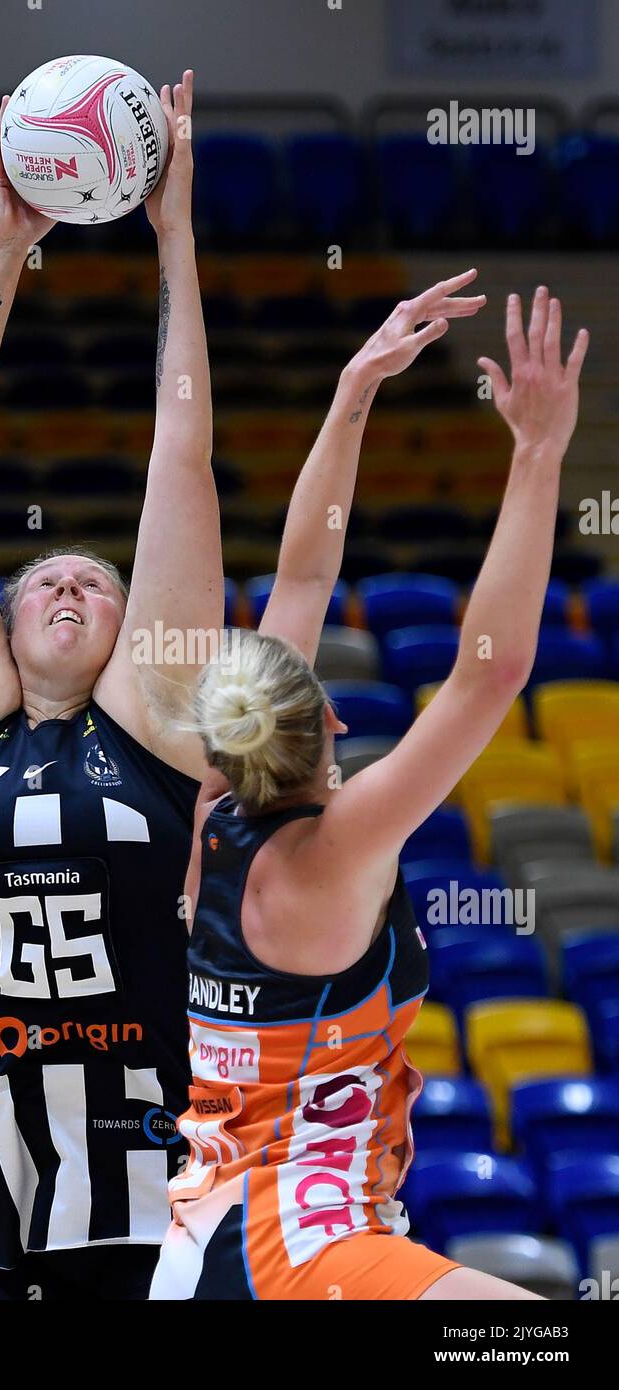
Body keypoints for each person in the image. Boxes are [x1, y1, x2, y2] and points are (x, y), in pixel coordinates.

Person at [150, 286, 588, 1300]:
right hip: (296, 1246)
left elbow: (300, 580)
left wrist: (354, 393)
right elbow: (487, 669)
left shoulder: (207, 814)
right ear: (333, 723)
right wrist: (532, 454)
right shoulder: (334, 850)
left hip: (198, 1242)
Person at [0, 72, 226, 1301]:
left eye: (101, 582)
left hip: (168, 1224)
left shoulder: (152, 726)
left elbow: (179, 451)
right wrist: (0, 247)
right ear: (1, 619)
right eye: (47, 579)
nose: (75, 587)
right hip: (6, 1224)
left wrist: (174, 240)